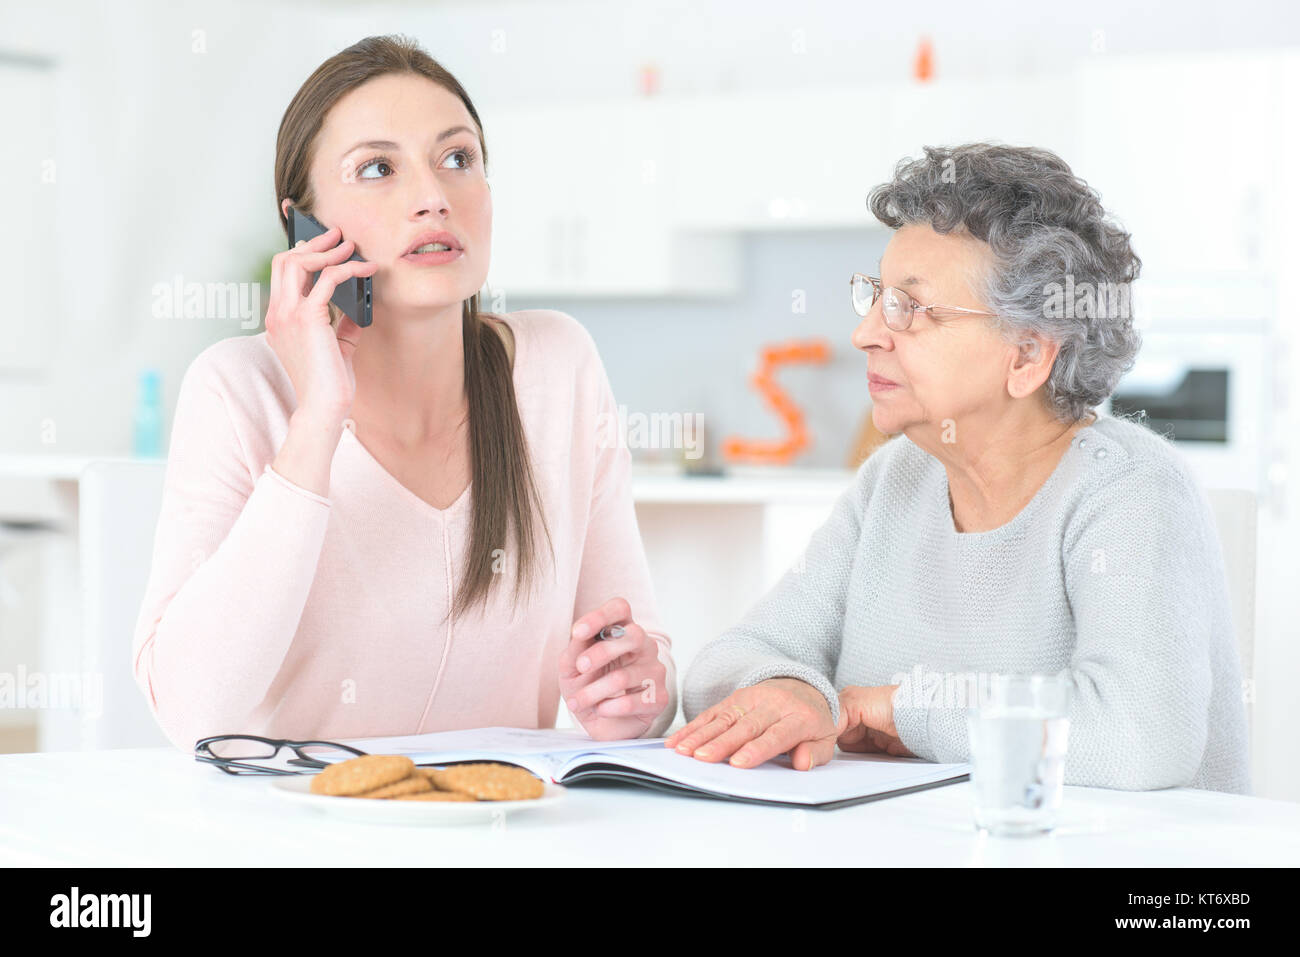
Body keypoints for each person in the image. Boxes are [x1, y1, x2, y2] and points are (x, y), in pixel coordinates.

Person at [132, 34, 675, 753]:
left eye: (458, 159)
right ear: (303, 225)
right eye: (378, 168)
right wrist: (318, 418)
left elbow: (641, 666)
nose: (432, 197)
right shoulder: (238, 390)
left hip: (504, 833)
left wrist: (636, 693)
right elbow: (192, 711)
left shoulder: (560, 366)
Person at [667, 143, 1250, 794]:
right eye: (876, 295)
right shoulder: (895, 479)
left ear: (1028, 354)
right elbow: (723, 662)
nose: (864, 334)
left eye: (910, 308)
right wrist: (795, 691)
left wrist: (898, 707)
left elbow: (1137, 737)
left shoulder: (1131, 488)